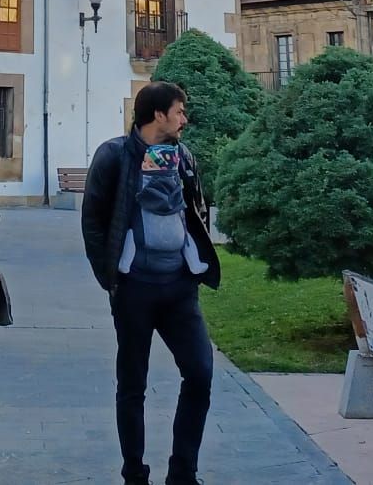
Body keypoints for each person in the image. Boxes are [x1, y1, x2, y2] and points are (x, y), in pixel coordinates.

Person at [80, 81, 221, 485]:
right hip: (134, 289)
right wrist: (110, 279)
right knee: (132, 385)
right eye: (179, 111)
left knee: (200, 373)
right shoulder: (113, 156)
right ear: (158, 115)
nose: (184, 119)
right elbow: (92, 221)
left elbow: (196, 209)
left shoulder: (183, 156)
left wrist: (193, 262)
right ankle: (134, 474)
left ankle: (183, 473)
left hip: (179, 288)